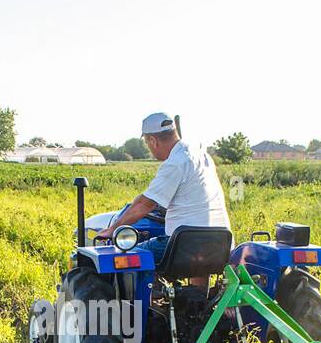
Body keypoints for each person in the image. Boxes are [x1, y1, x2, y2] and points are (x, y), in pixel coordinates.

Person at [99, 113, 232, 280]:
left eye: (147, 143)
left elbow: (145, 205)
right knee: (199, 263)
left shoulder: (175, 162)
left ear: (153, 141)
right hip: (221, 242)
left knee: (130, 257)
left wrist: (112, 229)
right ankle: (195, 300)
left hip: (185, 244)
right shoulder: (201, 154)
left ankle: (148, 301)